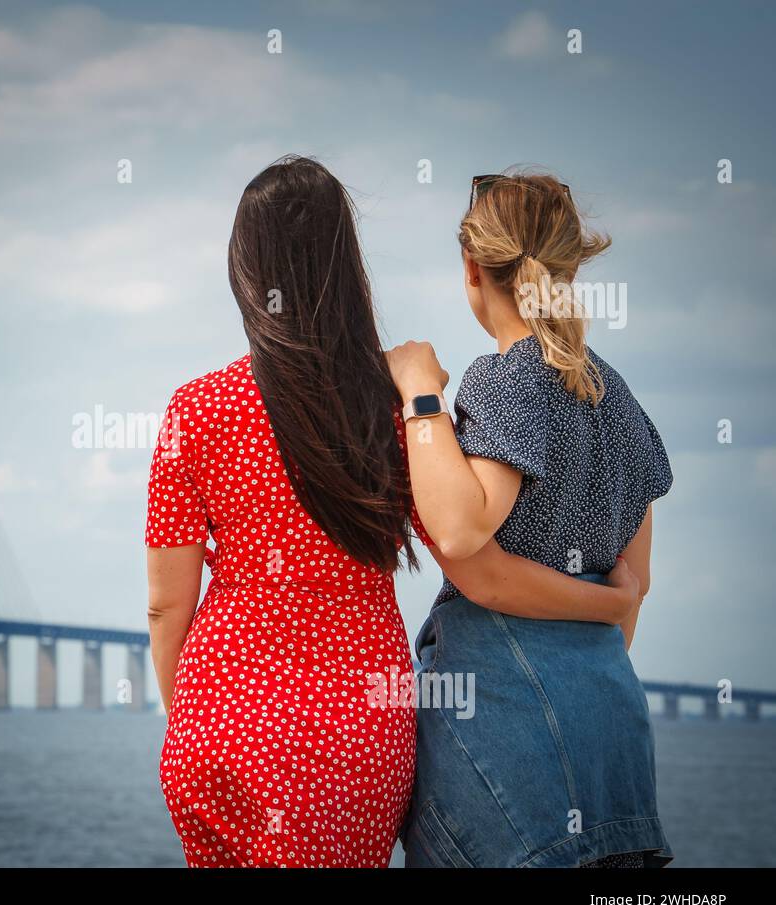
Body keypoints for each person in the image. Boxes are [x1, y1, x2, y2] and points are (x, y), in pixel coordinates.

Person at [145, 157, 641, 867]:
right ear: (349, 267)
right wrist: (604, 603)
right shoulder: (397, 406)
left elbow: (168, 609)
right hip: (354, 735)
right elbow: (470, 557)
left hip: (215, 722)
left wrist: (190, 719)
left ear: (245, 273)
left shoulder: (193, 409)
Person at [388, 171, 673, 868]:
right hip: (612, 735)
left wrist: (421, 396)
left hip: (504, 734)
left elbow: (460, 532)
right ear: (568, 267)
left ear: (472, 268)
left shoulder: (507, 377)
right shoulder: (621, 400)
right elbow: (633, 585)